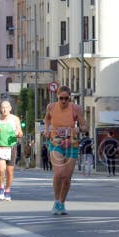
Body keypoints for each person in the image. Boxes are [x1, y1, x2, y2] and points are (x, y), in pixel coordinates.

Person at [43, 85, 86, 215]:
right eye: (61, 98)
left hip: (71, 144)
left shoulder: (76, 109)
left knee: (67, 177)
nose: (63, 101)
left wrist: (79, 129)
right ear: (57, 97)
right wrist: (46, 129)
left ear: (70, 98)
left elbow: (84, 125)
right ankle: (56, 201)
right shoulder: (51, 107)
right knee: (59, 173)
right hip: (56, 143)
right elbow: (47, 118)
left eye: (66, 99)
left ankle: (62, 203)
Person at [0, 100, 23, 201]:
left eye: (6, 107)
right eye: (2, 107)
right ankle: (1, 187)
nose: (4, 109)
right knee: (1, 169)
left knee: (10, 172)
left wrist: (18, 133)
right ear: (0, 109)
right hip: (0, 146)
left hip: (11, 147)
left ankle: (8, 190)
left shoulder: (15, 119)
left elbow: (20, 132)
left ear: (10, 108)